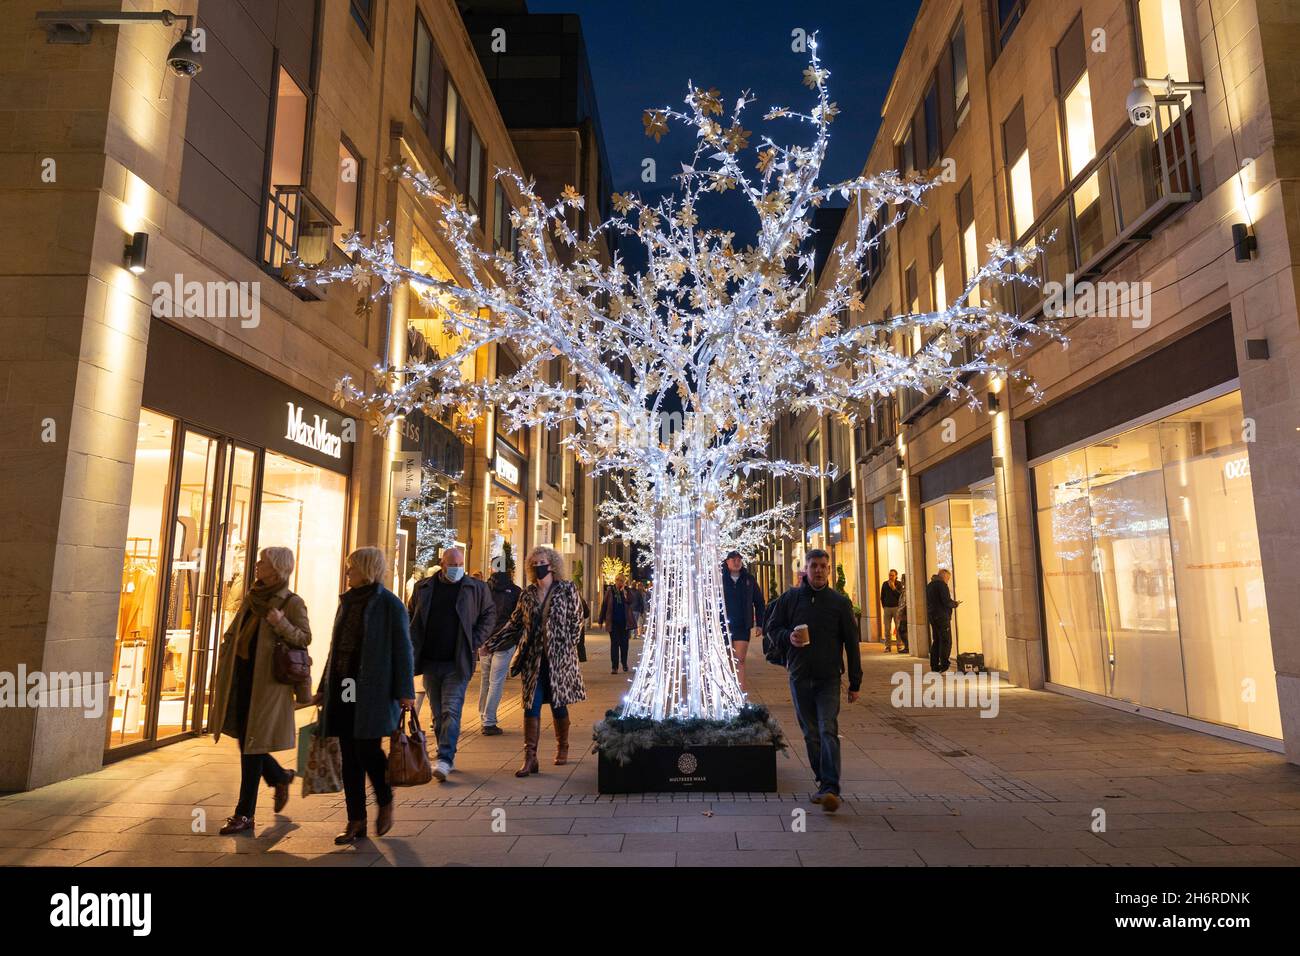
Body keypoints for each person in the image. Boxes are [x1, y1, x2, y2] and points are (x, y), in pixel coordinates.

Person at [314, 547, 415, 845]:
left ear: (366, 569)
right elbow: (336, 649)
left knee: (368, 750)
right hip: (344, 684)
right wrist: (323, 686)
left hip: (373, 688)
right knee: (348, 754)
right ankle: (355, 821)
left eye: (351, 568)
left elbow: (403, 650)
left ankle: (384, 799)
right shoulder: (346, 603)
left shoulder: (389, 604)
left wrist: (405, 691)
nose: (347, 573)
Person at [210, 547, 310, 836]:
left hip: (268, 686)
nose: (257, 565)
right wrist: (225, 655)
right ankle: (279, 777)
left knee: (252, 744)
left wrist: (281, 624)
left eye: (263, 562)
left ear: (277, 569)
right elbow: (234, 633)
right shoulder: (252, 598)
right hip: (241, 679)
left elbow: (304, 637)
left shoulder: (291, 602)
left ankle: (244, 814)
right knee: (246, 739)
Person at [764, 548, 862, 813]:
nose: (818, 570)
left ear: (828, 570)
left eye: (822, 566)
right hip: (799, 675)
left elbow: (852, 644)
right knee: (810, 733)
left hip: (829, 677)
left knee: (827, 728)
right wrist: (788, 638)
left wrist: (855, 682)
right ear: (805, 569)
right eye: (814, 565)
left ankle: (831, 787)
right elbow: (772, 628)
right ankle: (823, 781)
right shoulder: (791, 598)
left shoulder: (839, 603)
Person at [483, 546, 587, 775]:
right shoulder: (527, 594)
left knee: (559, 706)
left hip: (559, 661)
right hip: (533, 660)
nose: (539, 567)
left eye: (543, 562)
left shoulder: (567, 589)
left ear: (552, 565)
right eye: (535, 563)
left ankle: (563, 746)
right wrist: (490, 644)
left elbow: (577, 620)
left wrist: (567, 643)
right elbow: (515, 623)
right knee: (531, 706)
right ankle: (530, 758)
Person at [409, 546, 497, 780]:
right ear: (442, 564)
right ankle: (444, 751)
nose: (456, 569)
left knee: (451, 710)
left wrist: (475, 640)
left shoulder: (475, 588)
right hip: (430, 661)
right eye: (452, 565)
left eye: (460, 565)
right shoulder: (424, 588)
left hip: (457, 662)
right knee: (437, 714)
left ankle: (445, 758)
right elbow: (412, 617)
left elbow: (490, 614)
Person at [477, 568, 522, 735]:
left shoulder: (484, 590)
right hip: (505, 641)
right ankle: (488, 721)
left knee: (485, 680)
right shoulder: (516, 591)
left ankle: (483, 715)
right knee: (496, 681)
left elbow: (477, 615)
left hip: (485, 640)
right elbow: (519, 619)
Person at [720, 550, 765, 691]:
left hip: (742, 625)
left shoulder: (749, 579)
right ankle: (727, 692)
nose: (736, 561)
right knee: (726, 660)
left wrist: (760, 623)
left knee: (740, 660)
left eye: (739, 559)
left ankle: (739, 693)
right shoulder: (719, 579)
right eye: (733, 559)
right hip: (722, 625)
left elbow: (759, 602)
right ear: (727, 562)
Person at [925, 568, 960, 673]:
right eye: (948, 578)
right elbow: (946, 601)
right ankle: (944, 665)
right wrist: (955, 604)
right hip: (942, 617)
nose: (947, 581)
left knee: (936, 640)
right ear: (944, 576)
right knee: (946, 641)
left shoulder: (930, 585)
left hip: (933, 616)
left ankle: (934, 665)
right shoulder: (942, 585)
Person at [598, 573, 633, 674]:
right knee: (614, 644)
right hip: (613, 623)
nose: (619, 583)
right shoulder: (610, 591)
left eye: (622, 581)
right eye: (618, 580)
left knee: (624, 645)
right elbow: (604, 606)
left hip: (624, 623)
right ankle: (614, 667)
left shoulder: (627, 591)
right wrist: (600, 620)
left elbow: (631, 601)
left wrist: (625, 592)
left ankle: (624, 663)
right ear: (615, 580)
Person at [880, 569, 902, 651]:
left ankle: (899, 645)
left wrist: (893, 588)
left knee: (898, 627)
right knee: (887, 628)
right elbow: (882, 596)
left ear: (896, 576)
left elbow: (900, 596)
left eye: (892, 575)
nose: (891, 577)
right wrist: (884, 606)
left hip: (896, 608)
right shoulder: (885, 584)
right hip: (887, 608)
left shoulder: (899, 584)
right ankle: (887, 646)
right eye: (890, 575)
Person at [896, 575, 910, 655]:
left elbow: (905, 602)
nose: (901, 581)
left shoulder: (907, 590)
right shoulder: (904, 589)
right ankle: (907, 646)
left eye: (903, 579)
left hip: (904, 612)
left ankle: (907, 647)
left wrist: (902, 611)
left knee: (902, 630)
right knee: (901, 630)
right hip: (902, 611)